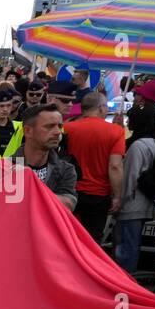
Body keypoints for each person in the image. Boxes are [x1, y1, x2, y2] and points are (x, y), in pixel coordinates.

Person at [63, 91, 126, 242]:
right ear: (100, 108)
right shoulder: (116, 132)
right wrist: (117, 196)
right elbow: (115, 166)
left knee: (67, 237)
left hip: (70, 191)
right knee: (91, 241)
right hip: (98, 195)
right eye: (106, 107)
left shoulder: (67, 128)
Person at [114, 103, 155, 275]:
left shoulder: (138, 146)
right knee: (132, 245)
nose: (128, 121)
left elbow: (130, 178)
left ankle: (124, 285)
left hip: (132, 205)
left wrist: (119, 201)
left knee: (125, 248)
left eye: (131, 118)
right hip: (146, 203)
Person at [13, 104, 78, 211]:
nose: (58, 132)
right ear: (28, 131)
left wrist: (31, 188)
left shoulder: (66, 169)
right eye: (49, 126)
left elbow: (68, 205)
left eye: (60, 126)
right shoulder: (6, 167)